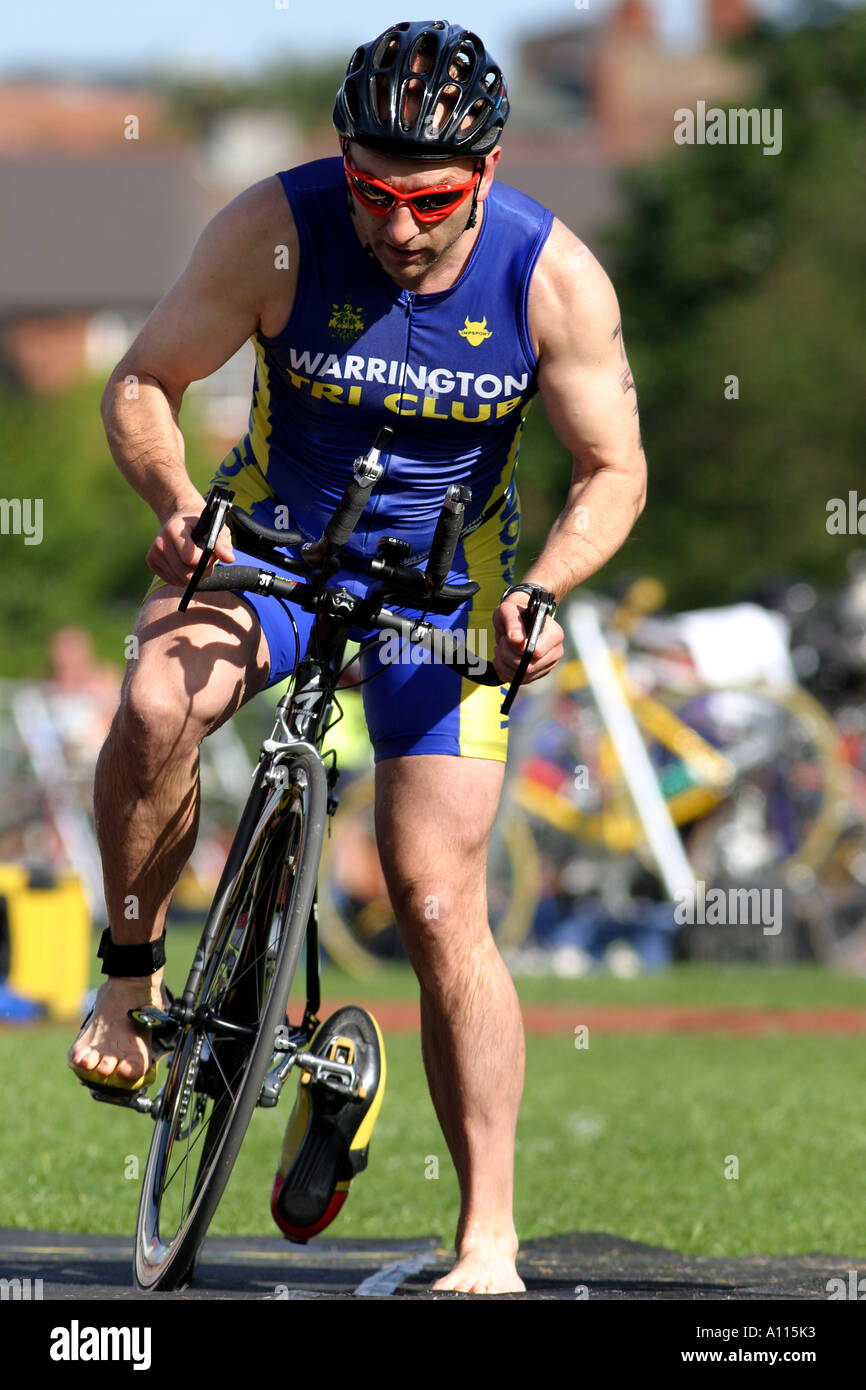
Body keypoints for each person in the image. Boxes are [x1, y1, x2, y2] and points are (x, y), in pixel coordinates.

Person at [68, 20, 646, 1294]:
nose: (395, 226)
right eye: (372, 192)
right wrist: (177, 501)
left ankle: (486, 1238)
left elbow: (614, 468)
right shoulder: (273, 227)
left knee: (439, 901)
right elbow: (143, 380)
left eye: (428, 201)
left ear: (485, 172)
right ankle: (126, 977)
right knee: (160, 695)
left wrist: (542, 593)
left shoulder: (552, 278)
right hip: (271, 540)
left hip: (449, 589)